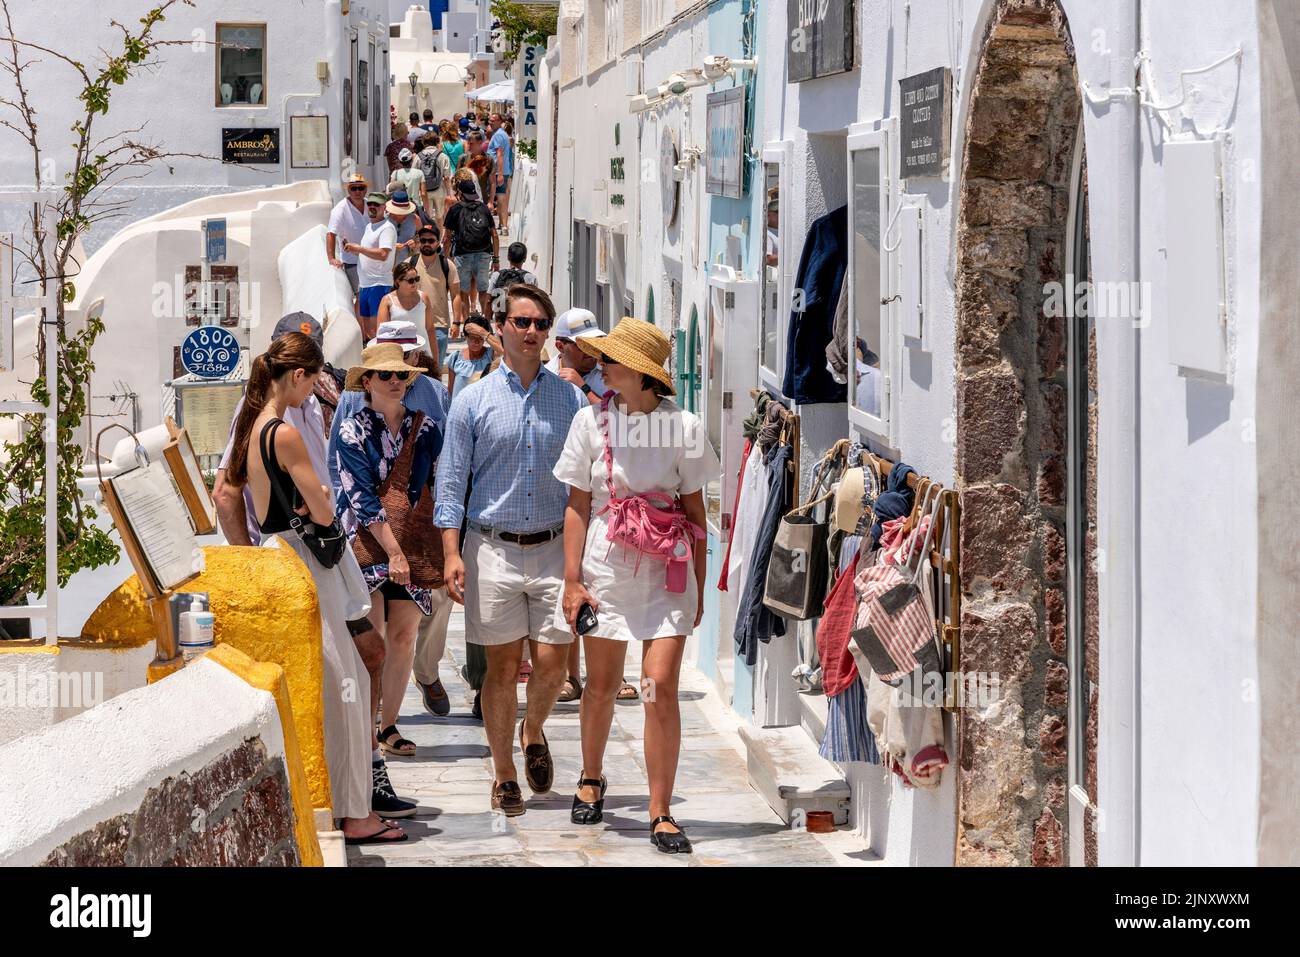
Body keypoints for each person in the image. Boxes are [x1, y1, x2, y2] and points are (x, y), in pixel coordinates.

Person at [223, 332, 407, 845]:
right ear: (298, 376)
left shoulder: (251, 427)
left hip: (282, 555)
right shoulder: (283, 433)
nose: (314, 391)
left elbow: (241, 499)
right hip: (312, 561)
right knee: (349, 685)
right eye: (313, 379)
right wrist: (320, 496)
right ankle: (355, 813)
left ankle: (344, 804)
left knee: (337, 679)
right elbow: (324, 509)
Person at [553, 317, 718, 853]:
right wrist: (572, 580)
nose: (600, 364)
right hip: (606, 564)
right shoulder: (589, 422)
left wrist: (696, 584)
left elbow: (695, 510)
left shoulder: (684, 428)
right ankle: (592, 776)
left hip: (666, 568)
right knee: (601, 684)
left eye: (611, 359)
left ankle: (660, 809)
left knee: (658, 685)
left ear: (643, 375)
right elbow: (577, 504)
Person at [435, 284, 583, 817]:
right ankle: (502, 776)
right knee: (500, 670)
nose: (531, 332)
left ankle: (533, 728)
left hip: (551, 548)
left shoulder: (570, 400)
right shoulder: (471, 400)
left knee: (553, 666)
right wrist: (452, 554)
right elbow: (451, 482)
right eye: (521, 322)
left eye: (541, 324)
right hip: (491, 548)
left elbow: (584, 485)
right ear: (500, 328)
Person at [336, 343, 446, 759]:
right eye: (385, 376)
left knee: (404, 636)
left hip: (412, 545)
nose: (396, 381)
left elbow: (438, 482)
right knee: (375, 637)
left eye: (401, 375)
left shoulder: (428, 428)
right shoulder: (353, 431)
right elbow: (361, 497)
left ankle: (390, 727)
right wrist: (393, 552)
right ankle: (365, 725)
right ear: (367, 382)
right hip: (367, 546)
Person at [443, 177, 499, 321]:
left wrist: (445, 259)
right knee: (483, 290)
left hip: (463, 254)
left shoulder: (455, 209)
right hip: (484, 253)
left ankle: (467, 322)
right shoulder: (484, 208)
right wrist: (496, 258)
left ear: (460, 193)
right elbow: (494, 234)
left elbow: (447, 238)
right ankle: (486, 322)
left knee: (463, 292)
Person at [343, 191, 396, 341]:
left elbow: (382, 254)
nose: (372, 207)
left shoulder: (387, 228)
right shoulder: (369, 227)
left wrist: (359, 248)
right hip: (365, 285)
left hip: (379, 284)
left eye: (376, 204)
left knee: (379, 331)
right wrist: (353, 250)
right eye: (370, 204)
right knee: (369, 331)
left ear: (384, 207)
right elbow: (369, 253)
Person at [412, 223, 461, 368]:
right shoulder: (410, 264)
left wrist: (456, 322)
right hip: (415, 326)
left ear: (437, 242)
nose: (426, 244)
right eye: (423, 240)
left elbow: (456, 295)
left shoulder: (447, 265)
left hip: (439, 326)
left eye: (431, 240)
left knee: (436, 370)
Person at [375, 259, 435, 373]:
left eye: (416, 279)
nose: (415, 283)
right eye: (411, 280)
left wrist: (435, 360)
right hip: (398, 356)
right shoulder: (387, 301)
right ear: (398, 282)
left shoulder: (424, 298)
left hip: (423, 354)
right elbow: (381, 334)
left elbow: (431, 329)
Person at [326, 173, 369, 305]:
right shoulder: (340, 209)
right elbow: (330, 234)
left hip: (370, 258)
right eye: (353, 188)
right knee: (360, 295)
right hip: (352, 262)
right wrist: (332, 258)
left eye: (360, 188)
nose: (357, 192)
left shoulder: (370, 205)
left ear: (365, 189)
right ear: (348, 190)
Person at [445, 313, 495, 400]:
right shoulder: (455, 358)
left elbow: (505, 351)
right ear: (466, 336)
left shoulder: (491, 355)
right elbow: (450, 391)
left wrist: (484, 333)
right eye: (473, 337)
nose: (476, 342)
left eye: (480, 337)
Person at [488, 241, 538, 309]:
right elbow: (534, 302)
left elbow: (488, 300)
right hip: (520, 317)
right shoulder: (531, 278)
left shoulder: (497, 275)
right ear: (525, 259)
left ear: (508, 257)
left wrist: (487, 319)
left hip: (500, 317)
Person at [487, 112, 513, 233]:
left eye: (493, 121)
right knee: (502, 198)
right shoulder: (503, 134)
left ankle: (504, 225)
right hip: (502, 170)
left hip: (498, 171)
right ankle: (503, 224)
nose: (490, 123)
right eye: (490, 120)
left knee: (501, 198)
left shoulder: (498, 135)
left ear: (499, 121)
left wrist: (500, 173)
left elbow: (499, 154)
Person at [418, 132, 452, 218]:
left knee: (427, 217)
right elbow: (447, 177)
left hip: (424, 191)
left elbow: (415, 175)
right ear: (437, 142)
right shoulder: (443, 156)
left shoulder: (418, 157)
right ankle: (440, 231)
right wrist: (449, 194)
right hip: (439, 189)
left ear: (424, 142)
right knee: (440, 217)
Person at [386, 189, 420, 262]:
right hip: (388, 264)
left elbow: (423, 239)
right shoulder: (384, 219)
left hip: (409, 262)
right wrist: (392, 246)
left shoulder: (415, 219)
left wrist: (415, 243)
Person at [390, 148, 427, 214]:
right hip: (416, 206)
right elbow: (423, 194)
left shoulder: (395, 173)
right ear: (412, 160)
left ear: (400, 161)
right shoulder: (419, 173)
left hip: (400, 206)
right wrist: (426, 208)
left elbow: (391, 191)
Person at [465, 130, 495, 206]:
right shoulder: (463, 158)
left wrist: (491, 202)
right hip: (465, 201)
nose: (469, 146)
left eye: (471, 144)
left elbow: (493, 183)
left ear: (480, 143)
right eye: (468, 143)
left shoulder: (488, 159)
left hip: (483, 201)